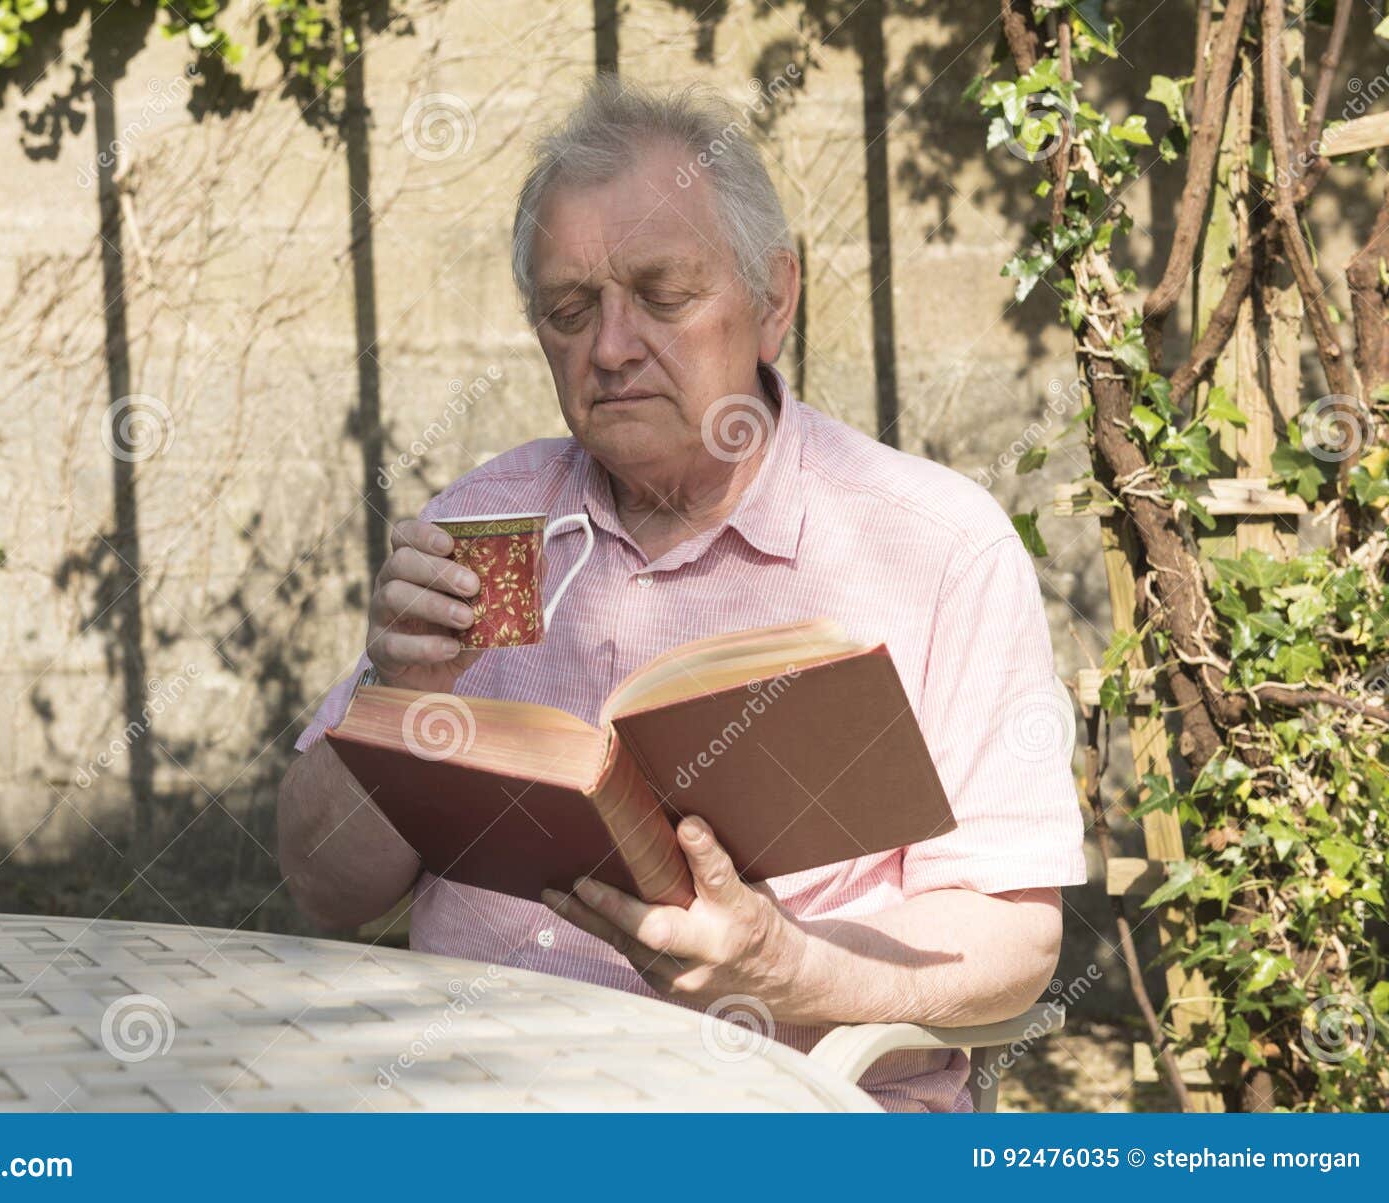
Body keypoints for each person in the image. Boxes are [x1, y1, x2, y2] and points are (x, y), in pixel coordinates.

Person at [278, 78, 1086, 1112]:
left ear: (774, 300)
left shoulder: (936, 545)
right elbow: (323, 888)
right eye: (569, 312)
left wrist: (785, 966)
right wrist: (397, 692)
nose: (610, 349)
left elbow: (1012, 942)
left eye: (662, 296)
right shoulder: (487, 520)